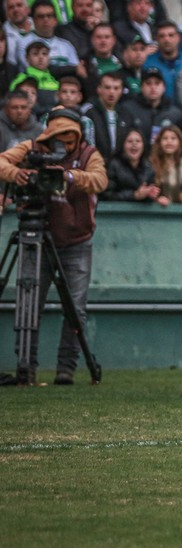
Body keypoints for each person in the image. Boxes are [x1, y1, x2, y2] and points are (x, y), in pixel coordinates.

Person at [0, 108, 107, 385]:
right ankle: (27, 368)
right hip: (37, 234)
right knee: (29, 304)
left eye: (70, 140)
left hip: (77, 240)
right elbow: (1, 161)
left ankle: (66, 370)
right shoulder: (33, 147)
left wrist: (70, 176)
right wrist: (17, 173)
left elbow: (100, 180)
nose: (65, 146)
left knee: (75, 308)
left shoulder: (88, 154)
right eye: (59, 139)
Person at [102, 128, 158, 203]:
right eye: (130, 141)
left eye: (138, 141)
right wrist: (134, 195)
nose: (134, 144)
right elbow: (106, 195)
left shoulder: (148, 168)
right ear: (123, 145)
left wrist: (152, 196)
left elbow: (149, 199)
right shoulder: (113, 165)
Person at [149, 124, 182, 207]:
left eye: (173, 138)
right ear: (159, 142)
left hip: (175, 212)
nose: (169, 141)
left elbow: (180, 191)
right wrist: (158, 199)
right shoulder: (151, 163)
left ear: (179, 142)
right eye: (165, 138)